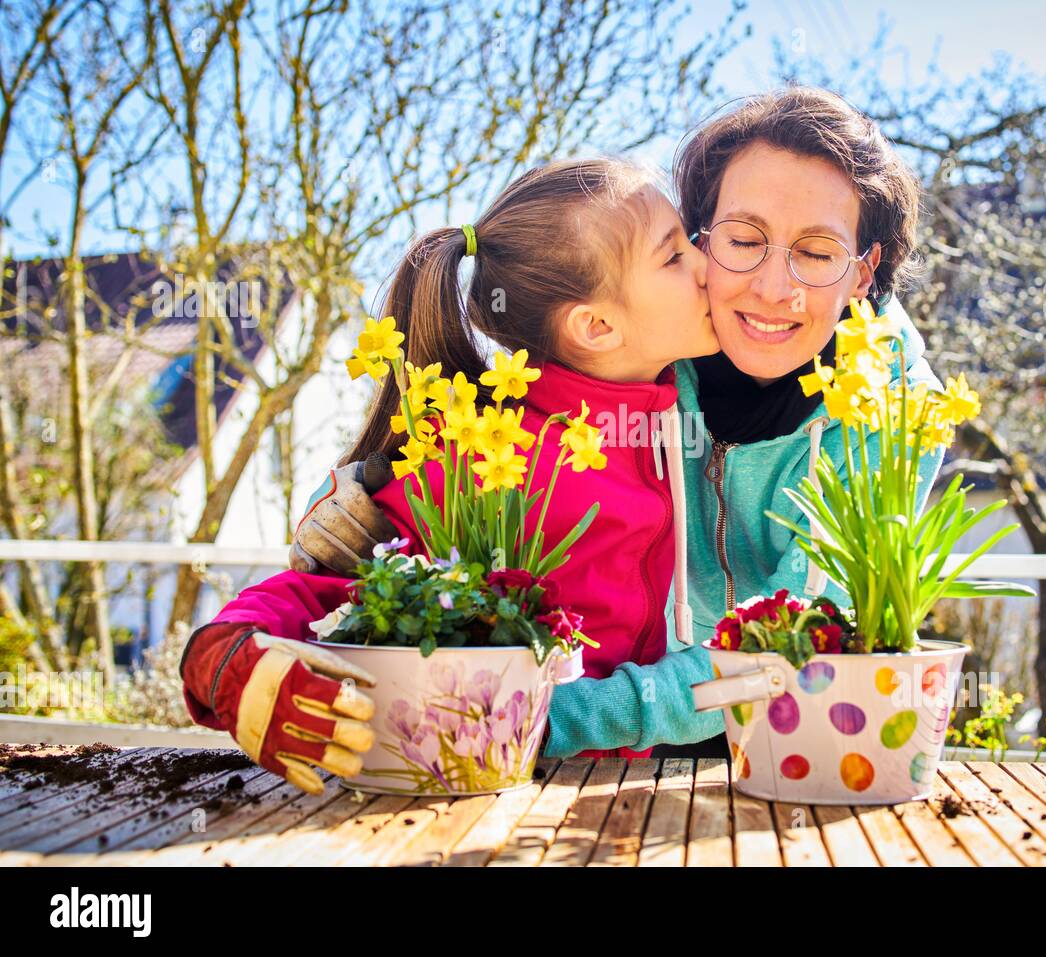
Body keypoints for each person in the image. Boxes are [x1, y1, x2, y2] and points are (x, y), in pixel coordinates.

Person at [289, 87, 948, 763]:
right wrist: (359, 491)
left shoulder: (896, 410)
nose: (774, 290)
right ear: (702, 239)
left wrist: (551, 721)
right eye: (744, 240)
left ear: (865, 272)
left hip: (803, 744)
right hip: (639, 754)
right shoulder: (654, 339)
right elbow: (497, 412)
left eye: (816, 253)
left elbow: (791, 645)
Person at [179, 157, 720, 793]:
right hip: (505, 793)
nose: (708, 264)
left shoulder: (672, 404)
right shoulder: (487, 450)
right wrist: (227, 658)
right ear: (596, 326)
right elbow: (331, 580)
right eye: (674, 256)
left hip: (633, 792)